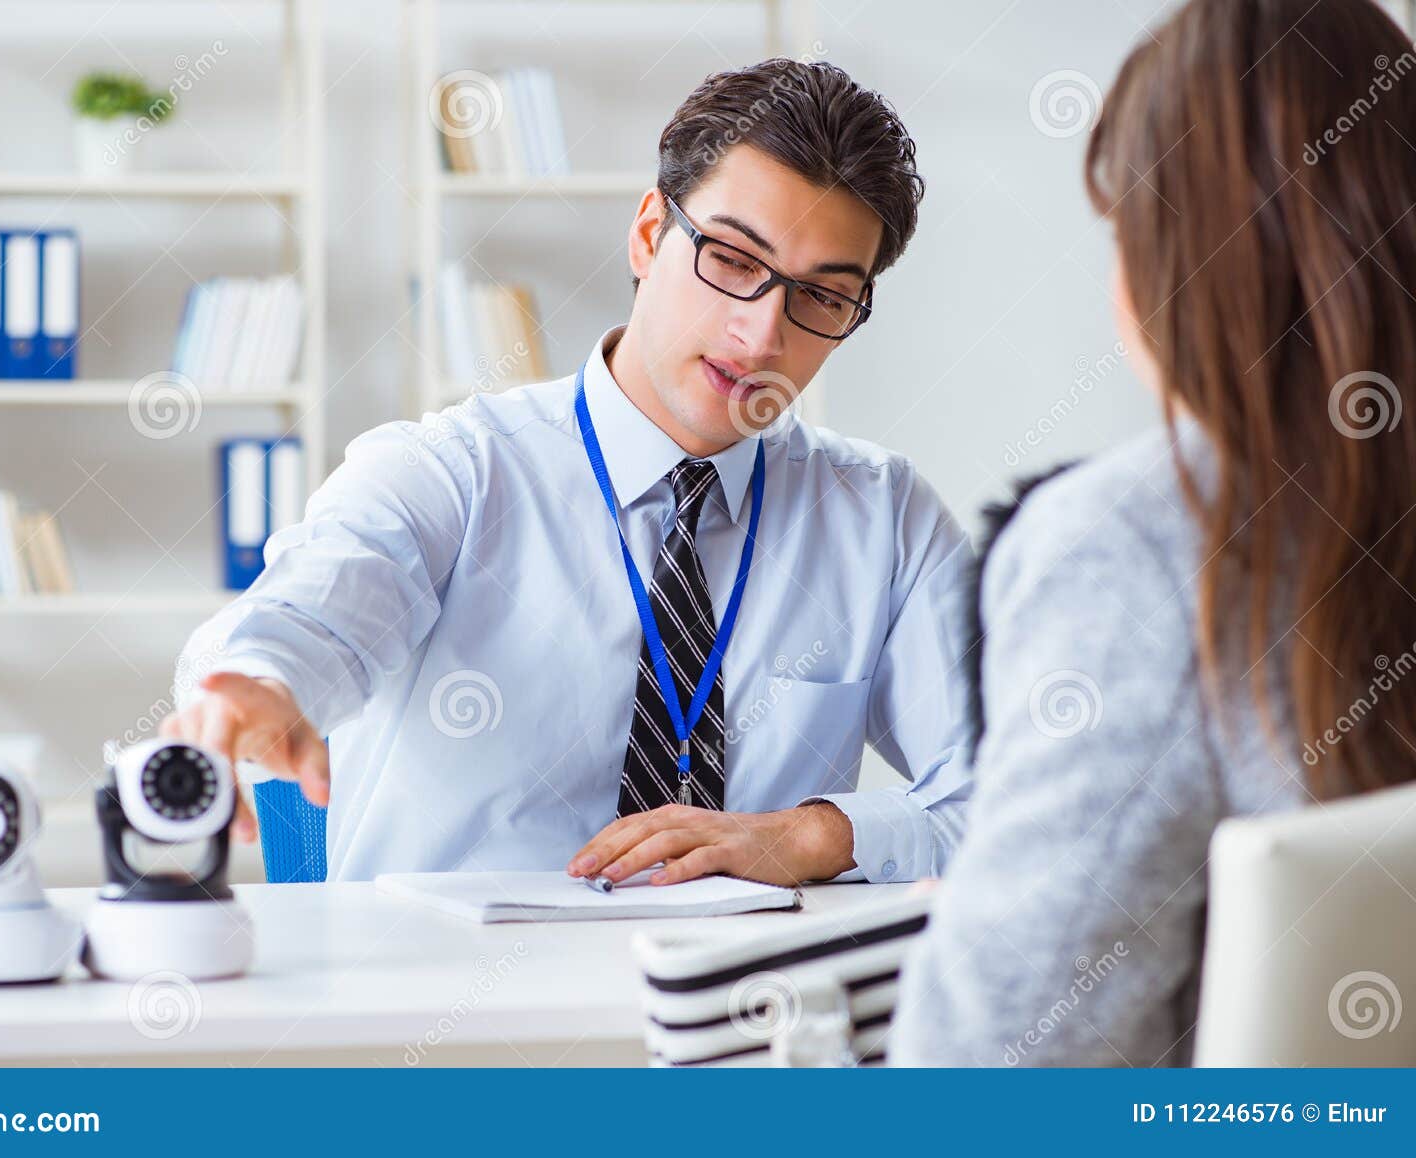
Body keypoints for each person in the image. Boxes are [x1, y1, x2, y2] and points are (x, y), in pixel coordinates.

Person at [161, 59, 974, 885]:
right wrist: (258, 683)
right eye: (732, 259)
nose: (762, 335)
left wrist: (813, 835)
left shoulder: (883, 517)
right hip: (448, 969)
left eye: (823, 296)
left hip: (740, 970)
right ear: (650, 235)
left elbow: (1013, 788)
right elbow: (318, 611)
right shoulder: (452, 471)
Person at [891, 0, 1416, 1066]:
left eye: (1121, 229)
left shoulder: (1136, 543)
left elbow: (991, 1084)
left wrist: (995, 947)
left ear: (1178, 258)